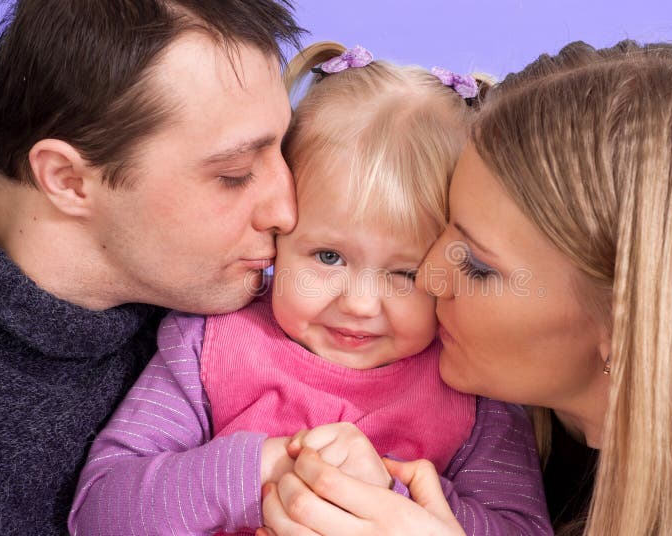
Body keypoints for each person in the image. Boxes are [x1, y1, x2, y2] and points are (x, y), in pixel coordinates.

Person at [258, 40, 672, 536]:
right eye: (445, 227)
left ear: (624, 330)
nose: (426, 275)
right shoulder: (502, 438)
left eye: (479, 266)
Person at [69, 42, 552, 536]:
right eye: (329, 257)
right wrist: (262, 467)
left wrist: (387, 494)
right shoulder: (208, 346)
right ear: (281, 231)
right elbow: (99, 512)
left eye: (405, 274)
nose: (359, 304)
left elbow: (524, 529)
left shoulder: (471, 387)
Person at [0, 1, 303, 534]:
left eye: (284, 150)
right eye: (235, 173)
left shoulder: (272, 311)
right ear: (68, 180)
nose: (288, 212)